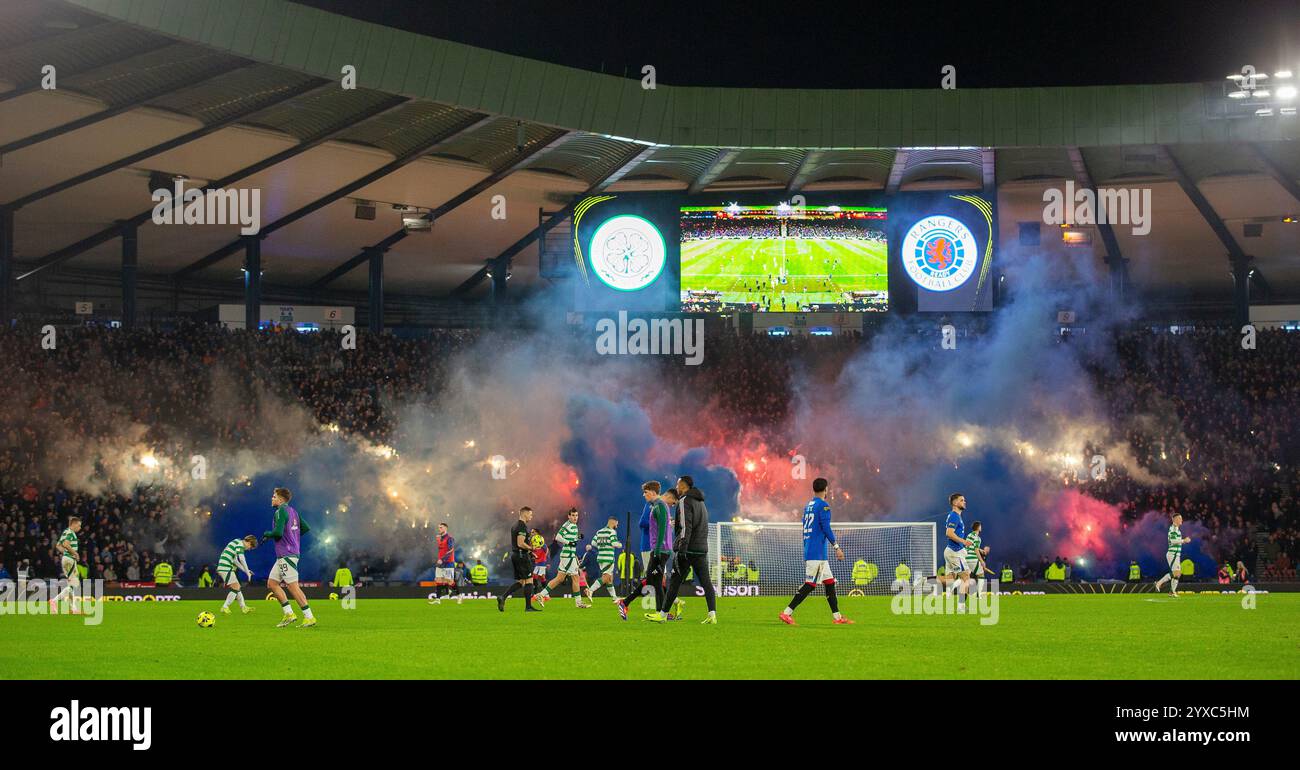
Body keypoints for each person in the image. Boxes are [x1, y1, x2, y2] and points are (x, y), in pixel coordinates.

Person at [779, 478, 852, 625]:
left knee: (829, 583)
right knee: (810, 584)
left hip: (814, 550)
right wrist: (837, 547)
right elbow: (826, 528)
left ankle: (837, 617)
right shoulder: (823, 506)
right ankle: (787, 613)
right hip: (817, 552)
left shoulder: (808, 506)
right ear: (826, 490)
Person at [653, 477, 718, 624]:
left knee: (674, 581)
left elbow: (685, 527)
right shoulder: (701, 502)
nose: (676, 488)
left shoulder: (684, 501)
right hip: (701, 548)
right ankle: (712, 615)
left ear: (683, 486)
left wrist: (682, 547)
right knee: (706, 582)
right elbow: (700, 525)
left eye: (677, 485)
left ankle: (662, 615)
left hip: (687, 549)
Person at [616, 482, 672, 621]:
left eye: (645, 492)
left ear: (652, 492)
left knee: (654, 581)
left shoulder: (659, 506)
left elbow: (662, 530)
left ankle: (627, 603)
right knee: (655, 581)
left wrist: (658, 549)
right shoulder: (656, 506)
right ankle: (660, 613)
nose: (644, 495)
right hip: (660, 550)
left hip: (660, 550)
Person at [263, 487, 315, 628]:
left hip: (287, 554)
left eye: (274, 496)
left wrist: (268, 534)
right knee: (272, 583)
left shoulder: (280, 511)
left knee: (292, 587)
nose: (272, 498)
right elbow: (305, 528)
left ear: (280, 499)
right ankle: (289, 614)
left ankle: (309, 617)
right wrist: (293, 538)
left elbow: (278, 532)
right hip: (286, 554)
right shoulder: (293, 511)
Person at [535, 508, 589, 608]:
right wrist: (569, 542)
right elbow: (558, 537)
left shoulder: (574, 526)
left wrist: (578, 537)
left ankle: (540, 595)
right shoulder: (567, 525)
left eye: (576, 515)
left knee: (559, 579)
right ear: (569, 516)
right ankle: (578, 603)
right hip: (568, 556)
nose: (575, 517)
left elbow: (570, 538)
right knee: (575, 578)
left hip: (568, 555)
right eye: (573, 515)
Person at [498, 507, 542, 613]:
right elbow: (520, 543)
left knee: (521, 582)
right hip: (521, 556)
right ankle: (528, 607)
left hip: (517, 555)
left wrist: (530, 552)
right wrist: (532, 548)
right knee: (529, 580)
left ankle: (503, 597)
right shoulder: (521, 526)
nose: (531, 516)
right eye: (530, 514)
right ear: (525, 514)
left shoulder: (515, 526)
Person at [938, 492, 972, 610]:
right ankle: (961, 606)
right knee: (966, 578)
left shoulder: (957, 516)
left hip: (954, 551)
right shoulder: (954, 516)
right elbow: (949, 533)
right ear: (955, 502)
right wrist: (963, 542)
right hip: (954, 552)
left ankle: (923, 580)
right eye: (962, 500)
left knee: (950, 581)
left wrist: (963, 546)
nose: (964, 502)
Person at [216, 535, 257, 615]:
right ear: (249, 542)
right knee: (236, 587)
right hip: (225, 567)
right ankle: (225, 607)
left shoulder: (236, 542)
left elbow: (235, 561)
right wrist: (248, 574)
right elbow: (242, 559)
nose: (249, 549)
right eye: (250, 547)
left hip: (225, 567)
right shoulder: (240, 545)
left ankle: (243, 607)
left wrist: (246, 571)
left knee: (237, 588)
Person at [584, 515, 622, 602]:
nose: (617, 526)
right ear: (613, 522)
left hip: (600, 557)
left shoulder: (599, 531)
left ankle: (614, 597)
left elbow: (593, 542)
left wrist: (602, 546)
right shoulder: (612, 532)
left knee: (609, 579)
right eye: (617, 524)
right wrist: (620, 544)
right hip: (608, 558)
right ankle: (590, 590)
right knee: (606, 577)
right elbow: (614, 543)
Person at [49, 516, 82, 614]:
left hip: (66, 559)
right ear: (74, 524)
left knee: (71, 583)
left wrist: (65, 553)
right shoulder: (70, 533)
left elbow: (58, 545)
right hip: (70, 560)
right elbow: (66, 544)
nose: (80, 528)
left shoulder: (65, 531)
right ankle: (54, 600)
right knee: (73, 584)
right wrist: (74, 553)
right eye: (79, 525)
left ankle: (73, 608)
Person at [1153, 513, 1191, 597]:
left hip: (1176, 554)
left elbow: (1176, 541)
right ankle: (1158, 583)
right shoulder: (1173, 528)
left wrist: (1182, 541)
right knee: (1176, 573)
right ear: (1175, 520)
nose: (1182, 520)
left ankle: (1172, 592)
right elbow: (1172, 541)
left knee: (1178, 573)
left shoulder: (1177, 529)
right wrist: (1183, 540)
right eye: (1180, 518)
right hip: (1172, 554)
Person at [431, 522, 460, 605]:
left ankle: (459, 596)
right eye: (439, 527)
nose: (439, 529)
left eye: (441, 527)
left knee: (450, 581)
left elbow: (451, 550)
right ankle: (437, 600)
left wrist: (442, 559)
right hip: (441, 563)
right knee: (438, 580)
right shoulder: (440, 538)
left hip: (448, 562)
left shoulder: (450, 538)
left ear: (445, 528)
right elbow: (441, 549)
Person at [965, 520, 990, 595]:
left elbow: (970, 546)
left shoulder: (969, 535)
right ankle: (979, 593)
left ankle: (965, 593)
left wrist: (980, 550)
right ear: (978, 527)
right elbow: (976, 550)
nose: (981, 528)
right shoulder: (978, 538)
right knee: (981, 575)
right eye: (980, 526)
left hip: (966, 559)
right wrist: (982, 561)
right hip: (973, 559)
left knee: (966, 578)